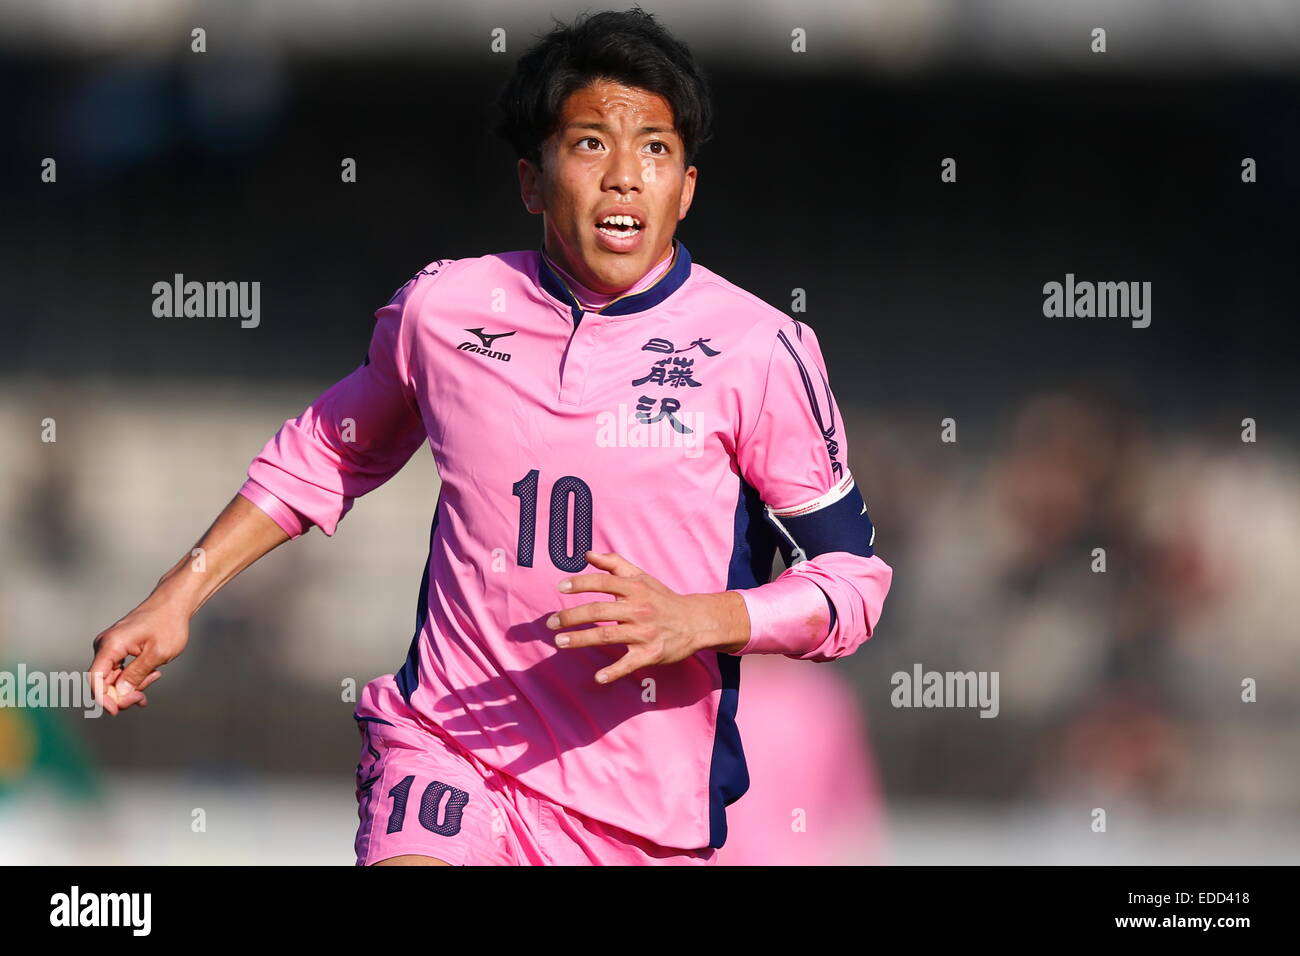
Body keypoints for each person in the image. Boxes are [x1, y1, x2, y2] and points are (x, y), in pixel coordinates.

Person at [88, 7, 892, 866]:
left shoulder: (761, 350)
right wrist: (177, 596)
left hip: (636, 813)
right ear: (532, 182)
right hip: (450, 744)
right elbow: (327, 450)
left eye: (654, 149)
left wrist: (704, 619)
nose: (625, 175)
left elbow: (853, 584)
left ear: (686, 187)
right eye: (591, 144)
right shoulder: (445, 311)